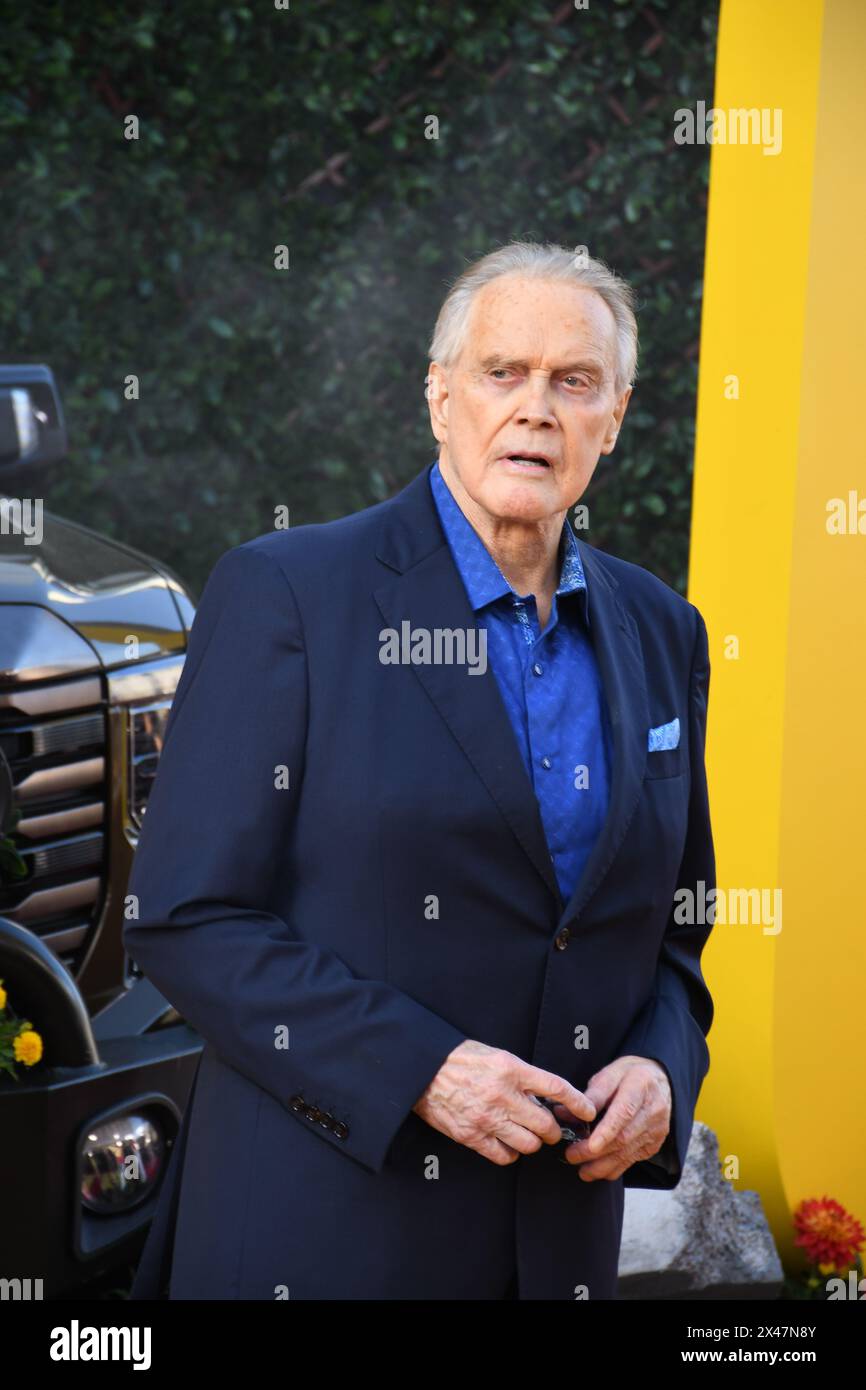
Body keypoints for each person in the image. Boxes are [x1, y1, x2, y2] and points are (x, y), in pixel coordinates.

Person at [124, 240, 715, 1301]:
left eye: (572, 381)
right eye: (502, 372)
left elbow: (673, 926)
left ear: (613, 419)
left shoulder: (661, 630)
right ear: (439, 397)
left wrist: (662, 1067)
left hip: (555, 1245)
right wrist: (419, 1072)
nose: (535, 408)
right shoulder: (290, 594)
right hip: (327, 1235)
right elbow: (187, 916)